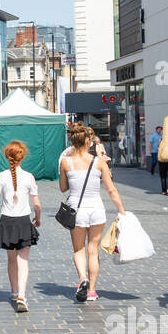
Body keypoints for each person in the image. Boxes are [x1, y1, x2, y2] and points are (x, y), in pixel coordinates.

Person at [60, 123, 127, 304]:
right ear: (88, 141)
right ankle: (92, 291)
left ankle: (83, 279)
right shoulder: (99, 162)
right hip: (97, 210)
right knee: (93, 250)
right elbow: (111, 190)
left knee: (78, 249)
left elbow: (63, 188)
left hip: (77, 210)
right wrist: (122, 211)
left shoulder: (66, 162)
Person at [0, 140, 41, 313]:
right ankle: (21, 295)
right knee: (23, 261)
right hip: (23, 221)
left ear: (7, 157)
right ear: (22, 156)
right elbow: (37, 204)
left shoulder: (1, 176)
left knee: (11, 259)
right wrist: (38, 217)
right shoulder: (29, 177)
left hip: (6, 222)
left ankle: (14, 292)